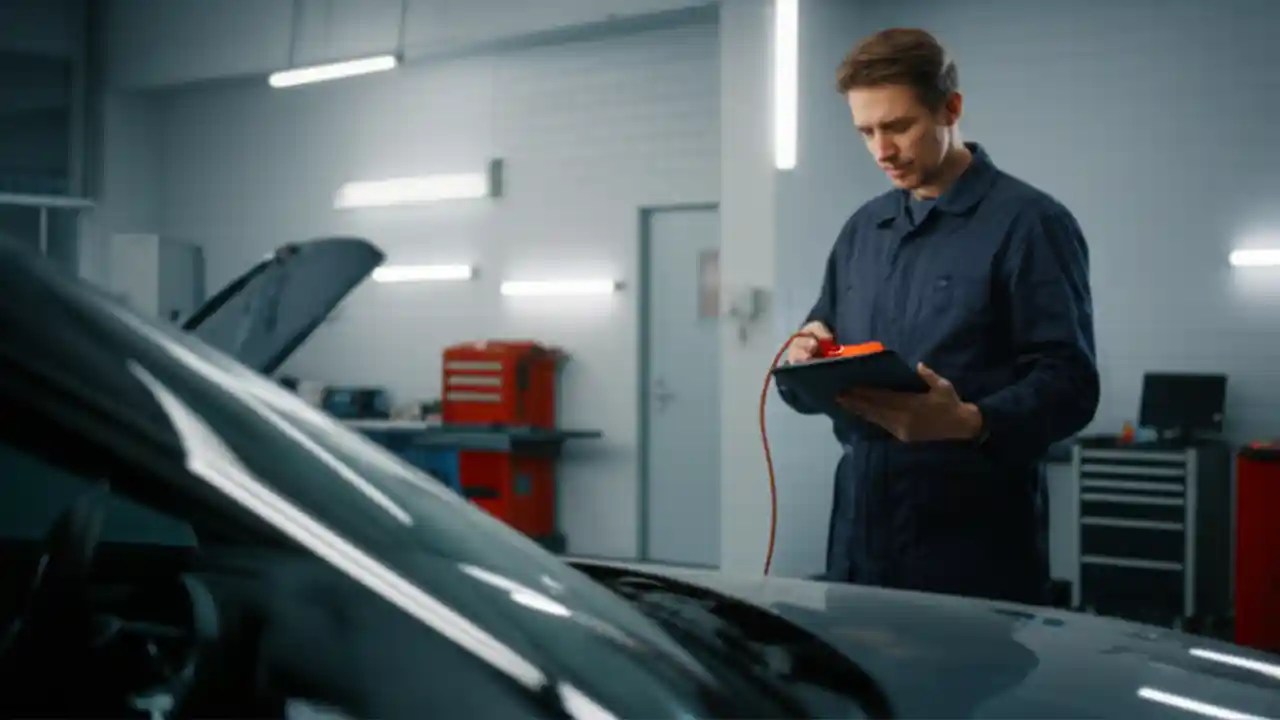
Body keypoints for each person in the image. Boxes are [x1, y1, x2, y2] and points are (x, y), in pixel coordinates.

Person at [776, 27, 1099, 605]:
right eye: (866, 132)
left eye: (898, 126)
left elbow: (1072, 384)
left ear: (951, 108)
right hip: (859, 541)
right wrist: (803, 358)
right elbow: (815, 356)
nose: (882, 151)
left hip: (973, 547)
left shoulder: (1029, 224)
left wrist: (970, 420)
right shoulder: (863, 231)